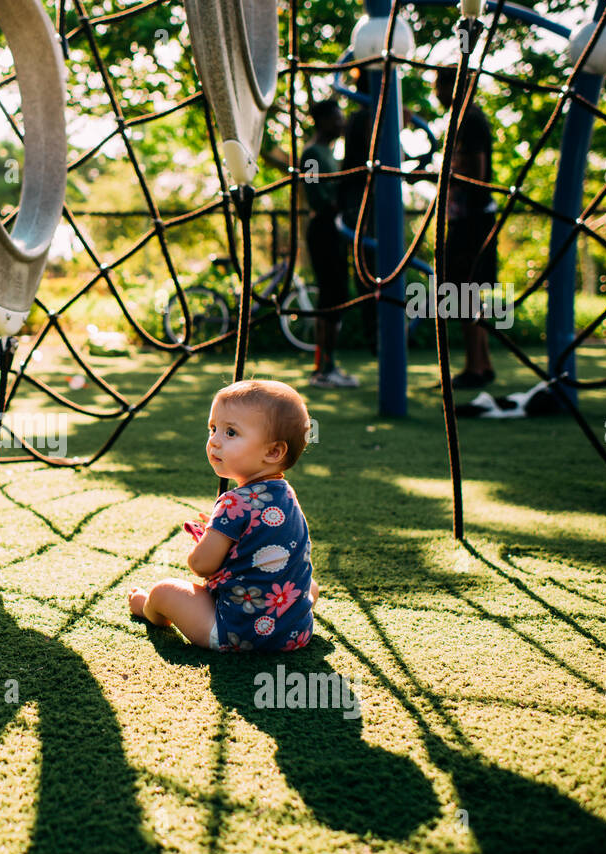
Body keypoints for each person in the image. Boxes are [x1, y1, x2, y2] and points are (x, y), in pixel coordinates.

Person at [126, 380, 320, 653]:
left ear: (273, 451)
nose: (215, 441)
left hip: (237, 633)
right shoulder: (286, 495)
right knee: (309, 585)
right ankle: (291, 620)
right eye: (213, 429)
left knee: (164, 591)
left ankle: (148, 609)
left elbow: (202, 565)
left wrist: (205, 541)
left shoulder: (233, 503)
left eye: (230, 432)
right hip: (296, 634)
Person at [436, 65, 499, 389]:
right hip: (468, 218)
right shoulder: (464, 118)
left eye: (438, 85)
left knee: (465, 294)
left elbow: (477, 173)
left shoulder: (470, 119)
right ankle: (482, 364)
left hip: (472, 220)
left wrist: (449, 175)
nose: (436, 92)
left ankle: (475, 368)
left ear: (452, 87)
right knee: (467, 294)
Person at [301, 99, 359, 388]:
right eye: (336, 119)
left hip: (333, 229)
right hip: (323, 229)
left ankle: (327, 365)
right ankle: (323, 369)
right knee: (329, 297)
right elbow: (316, 196)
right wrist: (337, 201)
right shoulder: (312, 154)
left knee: (337, 296)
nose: (341, 123)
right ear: (322, 121)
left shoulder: (328, 153)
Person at [340, 69, 381, 357]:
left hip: (364, 201)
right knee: (371, 272)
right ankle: (376, 335)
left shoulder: (364, 117)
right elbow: (376, 158)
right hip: (363, 203)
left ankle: (378, 333)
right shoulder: (366, 118)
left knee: (375, 271)